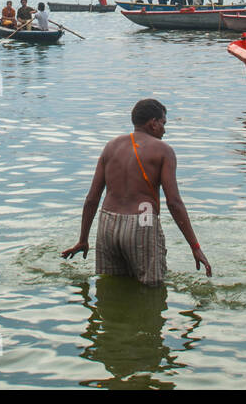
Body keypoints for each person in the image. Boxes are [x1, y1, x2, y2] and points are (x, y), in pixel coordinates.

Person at [62, 98, 211, 286]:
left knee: (111, 286)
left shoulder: (111, 146)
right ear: (153, 123)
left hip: (107, 223)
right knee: (152, 288)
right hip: (143, 219)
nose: (164, 130)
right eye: (163, 123)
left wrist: (83, 240)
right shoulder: (163, 151)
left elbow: (92, 198)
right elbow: (174, 202)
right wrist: (195, 246)